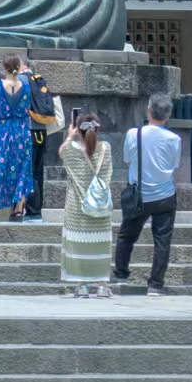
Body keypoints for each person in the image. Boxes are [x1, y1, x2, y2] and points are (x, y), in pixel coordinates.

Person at [112, 92, 182, 293]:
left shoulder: (134, 134)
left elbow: (127, 160)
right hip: (165, 195)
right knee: (162, 241)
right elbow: (174, 165)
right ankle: (156, 284)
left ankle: (121, 274)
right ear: (168, 115)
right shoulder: (174, 139)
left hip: (139, 195)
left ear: (149, 110)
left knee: (126, 235)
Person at [59, 112, 114, 296]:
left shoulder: (70, 150)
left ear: (78, 129)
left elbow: (61, 152)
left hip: (77, 210)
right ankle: (102, 286)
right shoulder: (106, 148)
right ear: (98, 129)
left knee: (78, 246)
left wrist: (70, 135)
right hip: (100, 208)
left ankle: (81, 285)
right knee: (100, 246)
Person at [0, 53, 34, 221]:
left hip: (3, 132)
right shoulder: (26, 87)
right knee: (22, 168)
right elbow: (27, 109)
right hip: (21, 132)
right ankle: (18, 209)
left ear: (4, 67)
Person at [23, 54, 64, 221]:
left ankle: (30, 209)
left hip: (28, 131)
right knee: (38, 172)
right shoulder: (39, 80)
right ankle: (36, 209)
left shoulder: (22, 81)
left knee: (28, 171)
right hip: (41, 131)